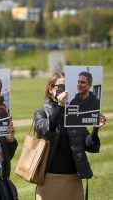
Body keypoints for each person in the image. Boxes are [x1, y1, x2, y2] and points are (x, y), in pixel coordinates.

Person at [34, 72, 107, 200]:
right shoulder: (41, 113)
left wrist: (96, 128)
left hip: (73, 179)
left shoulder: (74, 114)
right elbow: (44, 131)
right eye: (61, 87)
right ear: (51, 89)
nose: (65, 91)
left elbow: (89, 145)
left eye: (68, 87)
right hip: (50, 178)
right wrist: (60, 106)